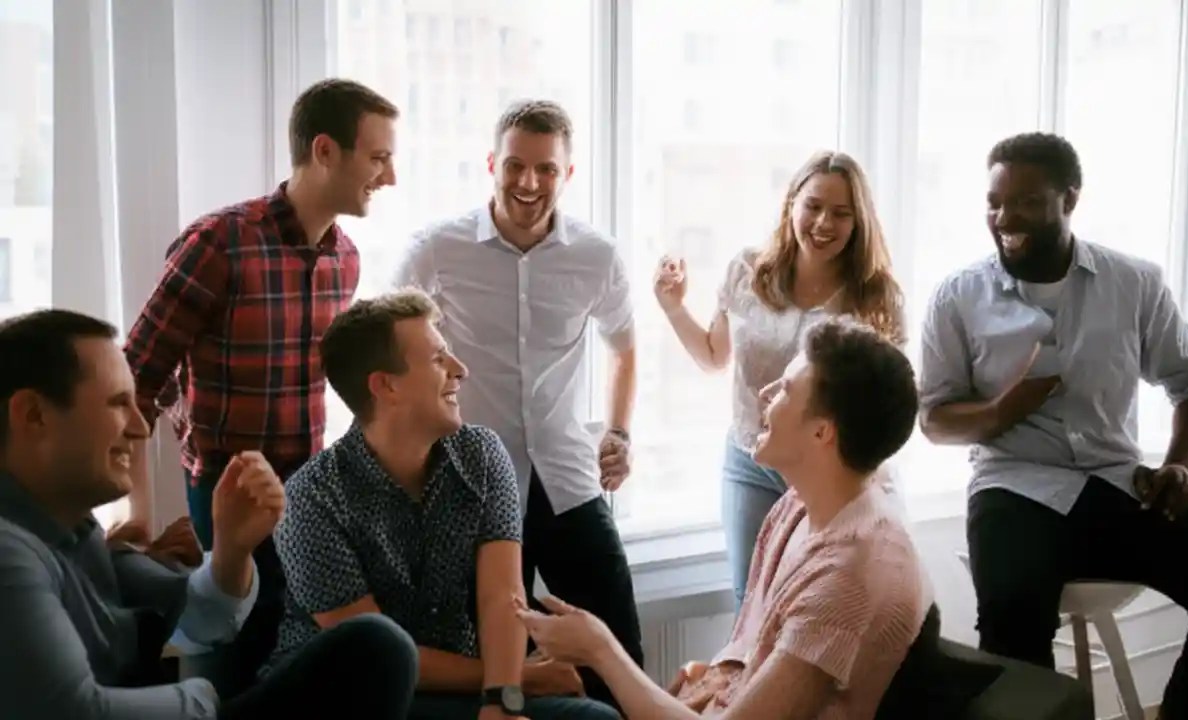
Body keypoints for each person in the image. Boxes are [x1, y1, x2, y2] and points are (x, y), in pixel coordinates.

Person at [917, 132, 1188, 720]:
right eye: (994, 202)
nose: (1005, 218)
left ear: (1070, 200)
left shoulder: (1134, 283)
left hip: (1118, 484)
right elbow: (933, 419)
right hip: (1014, 487)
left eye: (1026, 203)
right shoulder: (958, 297)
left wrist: (1179, 465)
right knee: (1012, 623)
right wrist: (1005, 409)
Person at [0, 309, 418, 720]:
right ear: (33, 414)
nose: (140, 429)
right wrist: (204, 699)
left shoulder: (77, 530)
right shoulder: (9, 553)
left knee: (375, 649)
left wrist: (232, 549)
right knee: (377, 650)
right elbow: (72, 712)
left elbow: (199, 615)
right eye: (117, 403)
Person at [122, 77, 399, 688]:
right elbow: (137, 377)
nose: (390, 176)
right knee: (225, 657)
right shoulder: (219, 242)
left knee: (291, 662)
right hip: (228, 491)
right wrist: (142, 512)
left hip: (307, 491)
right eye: (378, 158)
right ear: (325, 150)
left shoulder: (346, 258)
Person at [518, 317, 931, 720]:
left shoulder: (848, 577)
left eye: (786, 389)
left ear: (823, 433)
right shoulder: (798, 507)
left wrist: (599, 649)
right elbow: (759, 653)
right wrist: (721, 676)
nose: (765, 393)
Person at [268, 289, 620, 720]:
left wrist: (501, 699)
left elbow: (502, 598)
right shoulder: (311, 498)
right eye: (439, 359)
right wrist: (516, 681)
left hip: (463, 686)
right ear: (386, 385)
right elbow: (378, 657)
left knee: (595, 719)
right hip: (348, 699)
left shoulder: (483, 455)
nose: (461, 369)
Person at [394, 98, 642, 707]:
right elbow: (390, 352)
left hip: (567, 480)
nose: (529, 183)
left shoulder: (597, 256)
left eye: (546, 169)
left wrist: (620, 433)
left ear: (568, 173)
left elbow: (626, 349)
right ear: (491, 163)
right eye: (515, 165)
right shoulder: (435, 249)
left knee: (618, 660)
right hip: (468, 487)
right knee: (496, 669)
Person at [653, 150, 906, 608]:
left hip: (833, 472)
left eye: (841, 213)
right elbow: (714, 356)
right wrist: (673, 307)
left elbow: (889, 398)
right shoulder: (750, 270)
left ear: (858, 222)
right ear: (792, 204)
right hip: (751, 460)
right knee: (752, 603)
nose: (823, 223)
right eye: (813, 206)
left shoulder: (875, 294)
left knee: (824, 604)